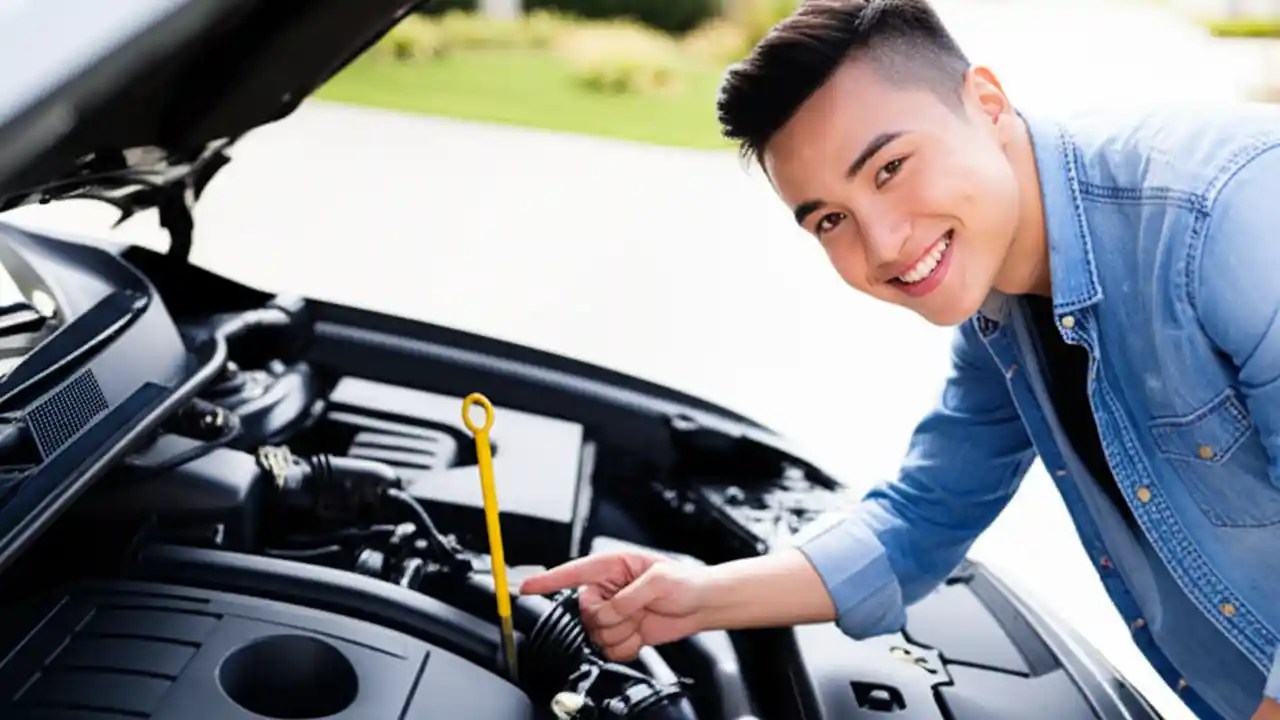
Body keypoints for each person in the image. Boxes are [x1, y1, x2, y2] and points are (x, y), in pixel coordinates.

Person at [518, 1, 1280, 717]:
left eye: (889, 168)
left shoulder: (1228, 213)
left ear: (985, 102)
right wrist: (694, 598)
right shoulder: (1001, 308)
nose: (881, 246)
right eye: (830, 220)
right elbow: (921, 518)